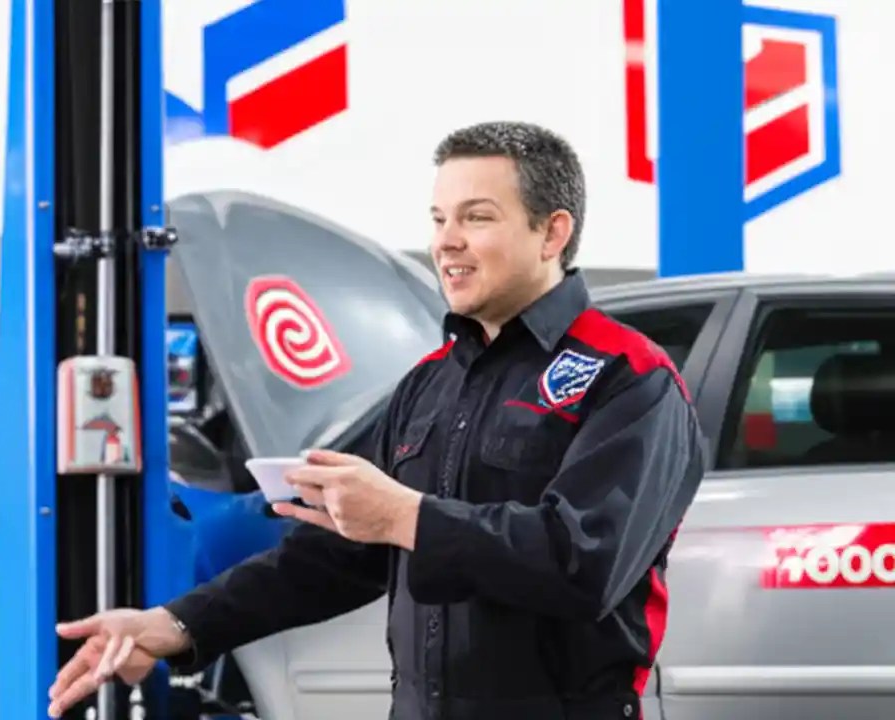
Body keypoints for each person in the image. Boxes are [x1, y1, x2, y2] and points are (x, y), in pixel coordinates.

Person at [46, 121, 706, 720]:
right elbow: (338, 557)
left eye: (476, 217)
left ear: (552, 232)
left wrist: (404, 514)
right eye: (439, 217)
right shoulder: (431, 382)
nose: (446, 241)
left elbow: (582, 561)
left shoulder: (629, 377)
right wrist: (178, 625)